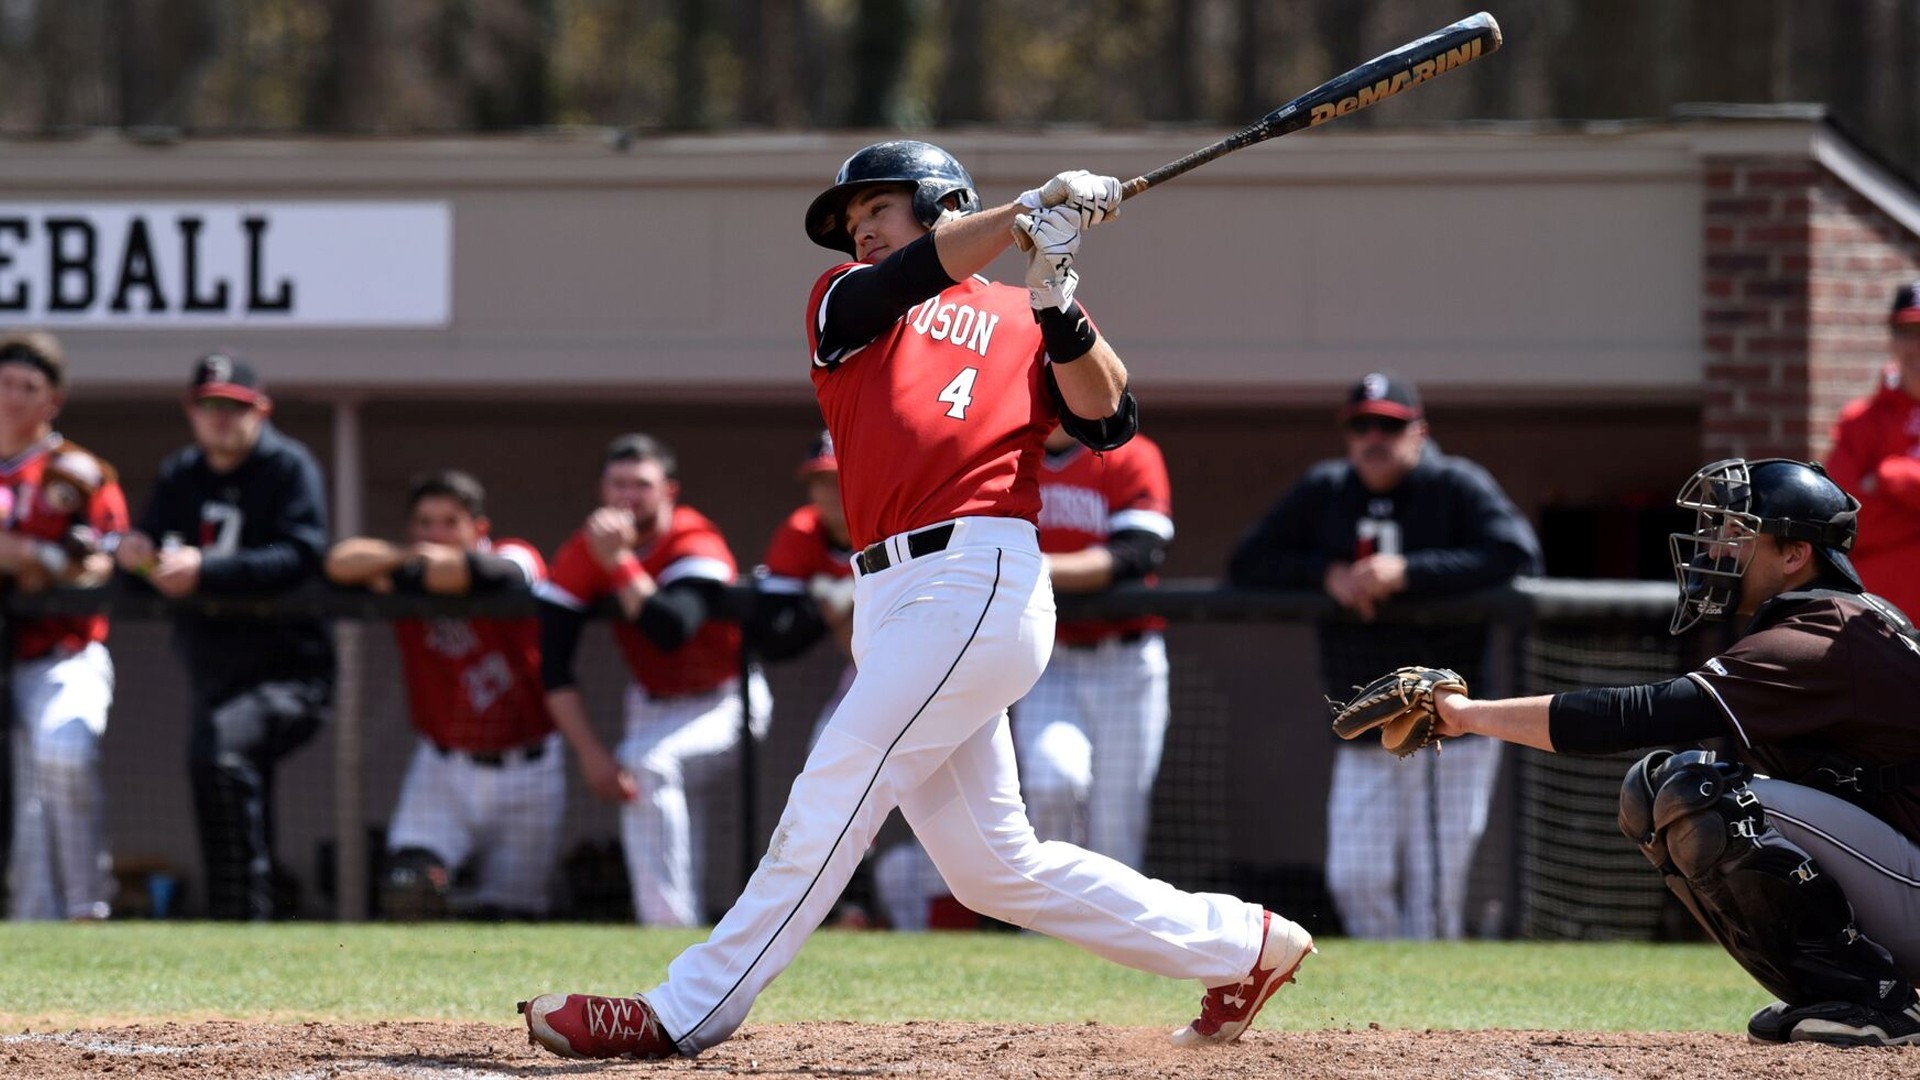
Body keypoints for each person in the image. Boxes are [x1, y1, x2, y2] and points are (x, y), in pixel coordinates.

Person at [522, 139, 1313, 1059]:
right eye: (853, 226)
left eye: (878, 215)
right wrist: (1025, 215)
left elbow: (1108, 419)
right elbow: (902, 278)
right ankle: (1244, 945)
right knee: (992, 869)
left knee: (837, 782)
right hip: (893, 595)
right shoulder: (845, 307)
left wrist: (1058, 299)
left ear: (940, 203)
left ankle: (686, 1007)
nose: (859, 237)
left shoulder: (1023, 312)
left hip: (976, 575)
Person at [1426, 457, 1920, 1046]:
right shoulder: (1833, 622)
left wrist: (1464, 715)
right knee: (1657, 787)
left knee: (1701, 794)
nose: (1715, 549)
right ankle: (1838, 997)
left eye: (1738, 534)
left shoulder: (1819, 636)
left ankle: (1877, 1003)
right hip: (1902, 871)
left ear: (1794, 555)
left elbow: (1633, 715)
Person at [1227, 372, 1539, 939]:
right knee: (1355, 877)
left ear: (1418, 431)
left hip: (1450, 724)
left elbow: (1516, 554)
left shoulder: (1455, 484)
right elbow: (1248, 560)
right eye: (1362, 426)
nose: (1374, 438)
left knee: (1436, 887)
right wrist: (1326, 574)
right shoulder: (1327, 489)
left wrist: (1410, 573)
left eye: (1389, 426)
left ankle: (1429, 1011)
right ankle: (1386, 1005)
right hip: (1365, 717)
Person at [114, 353, 332, 921]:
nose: (220, 419)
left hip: (291, 672)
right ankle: (234, 915)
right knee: (213, 765)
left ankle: (246, 916)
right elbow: (149, 555)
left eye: (234, 408)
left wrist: (208, 570)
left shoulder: (288, 467)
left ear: (261, 410)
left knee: (227, 755)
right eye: (209, 407)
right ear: (191, 411)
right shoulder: (181, 474)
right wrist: (135, 557)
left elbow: (303, 553)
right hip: (214, 670)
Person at [534, 433, 769, 928]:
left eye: (641, 485)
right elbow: (553, 662)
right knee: (651, 782)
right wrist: (592, 755)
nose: (628, 496)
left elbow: (671, 630)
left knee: (650, 766)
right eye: (618, 484)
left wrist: (619, 561)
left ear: (669, 491)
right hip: (650, 700)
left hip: (726, 698)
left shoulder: (693, 538)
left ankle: (668, 932)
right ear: (602, 490)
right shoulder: (583, 551)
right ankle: (677, 930)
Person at [325, 469, 562, 920]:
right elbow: (339, 562)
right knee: (405, 889)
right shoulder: (407, 563)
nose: (436, 534)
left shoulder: (516, 555)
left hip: (526, 767)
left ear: (479, 528)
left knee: (513, 915)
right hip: (443, 765)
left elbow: (476, 572)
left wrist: (407, 567)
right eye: (425, 522)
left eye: (450, 522)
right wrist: (410, 557)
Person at [0, 331, 127, 920]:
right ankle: (34, 925)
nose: (13, 397)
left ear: (52, 402)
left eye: (29, 387)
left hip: (59, 652)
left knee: (65, 755)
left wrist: (49, 563)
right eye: (5, 382)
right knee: (23, 809)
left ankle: (86, 911)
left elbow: (108, 556)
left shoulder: (77, 472)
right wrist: (23, 552)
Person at [1824, 280, 1920, 620]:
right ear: (1892, 341)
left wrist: (1889, 476)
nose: (1917, 347)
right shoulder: (1859, 422)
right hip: (1878, 624)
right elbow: (1841, 524)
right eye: (1909, 333)